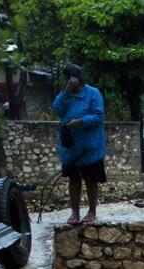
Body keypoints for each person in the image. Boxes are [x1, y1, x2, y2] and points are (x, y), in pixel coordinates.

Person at [52, 64, 106, 225]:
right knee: (74, 178)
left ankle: (92, 211)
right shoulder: (66, 95)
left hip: (90, 145)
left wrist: (81, 121)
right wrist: (67, 90)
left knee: (91, 178)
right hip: (71, 145)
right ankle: (74, 212)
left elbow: (98, 116)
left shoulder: (93, 94)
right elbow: (57, 109)